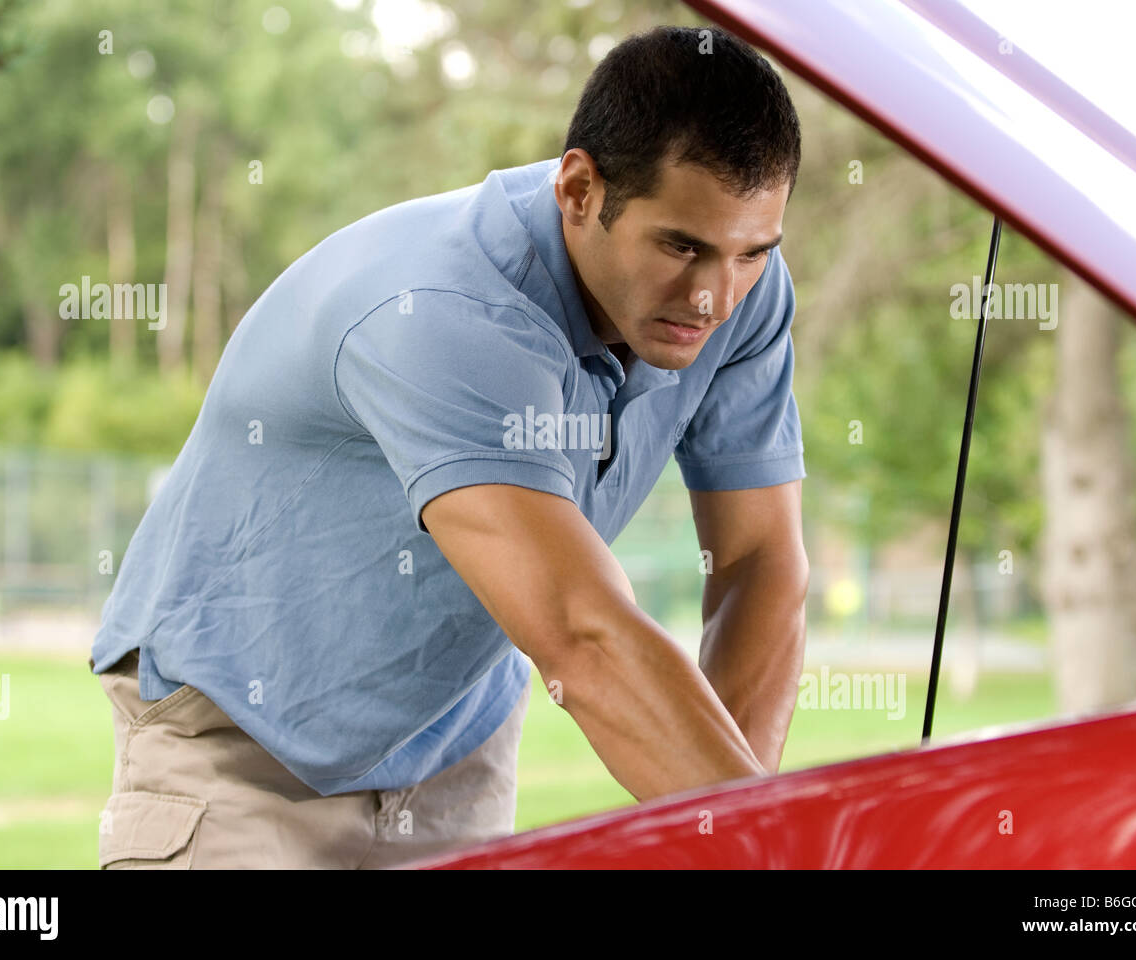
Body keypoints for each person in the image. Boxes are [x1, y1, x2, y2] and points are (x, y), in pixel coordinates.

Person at [90, 23, 809, 870]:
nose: (714, 296)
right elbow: (585, 637)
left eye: (750, 253)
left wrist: (744, 819)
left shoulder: (741, 297)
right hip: (244, 742)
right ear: (579, 187)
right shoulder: (446, 312)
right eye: (681, 246)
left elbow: (761, 560)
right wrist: (773, 852)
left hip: (452, 747)